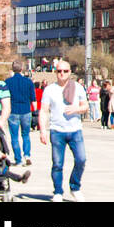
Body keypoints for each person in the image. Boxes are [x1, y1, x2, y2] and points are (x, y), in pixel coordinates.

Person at [39, 59, 88, 201]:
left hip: (75, 130)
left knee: (81, 159)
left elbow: (85, 106)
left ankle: (75, 187)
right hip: (56, 131)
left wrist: (76, 109)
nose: (62, 74)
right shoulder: (49, 89)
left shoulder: (77, 87)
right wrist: (43, 130)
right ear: (55, 72)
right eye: (59, 71)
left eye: (65, 71)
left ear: (70, 72)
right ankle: (58, 192)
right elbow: (43, 111)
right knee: (57, 163)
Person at [5, 61, 34, 167]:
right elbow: (33, 98)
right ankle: (27, 155)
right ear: (22, 69)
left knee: (14, 136)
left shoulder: (7, 82)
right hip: (26, 110)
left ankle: (18, 159)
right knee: (26, 134)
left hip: (13, 111)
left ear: (13, 69)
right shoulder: (28, 82)